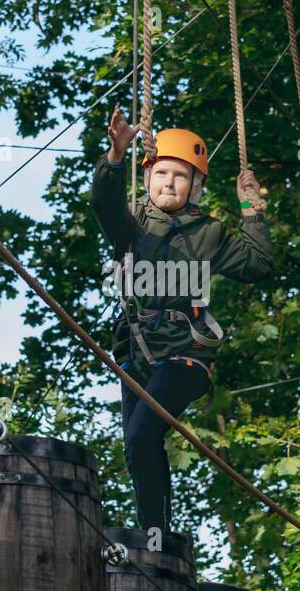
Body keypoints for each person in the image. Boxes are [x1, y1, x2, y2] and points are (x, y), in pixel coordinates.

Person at [91, 105, 274, 532]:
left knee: (141, 436)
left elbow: (258, 264)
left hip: (185, 354)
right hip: (137, 352)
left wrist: (252, 212)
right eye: (160, 174)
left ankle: (155, 536)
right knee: (137, 447)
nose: (168, 183)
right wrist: (116, 156)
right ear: (148, 179)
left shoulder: (208, 232)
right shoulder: (132, 223)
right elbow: (104, 203)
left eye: (179, 176)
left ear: (195, 186)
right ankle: (156, 536)